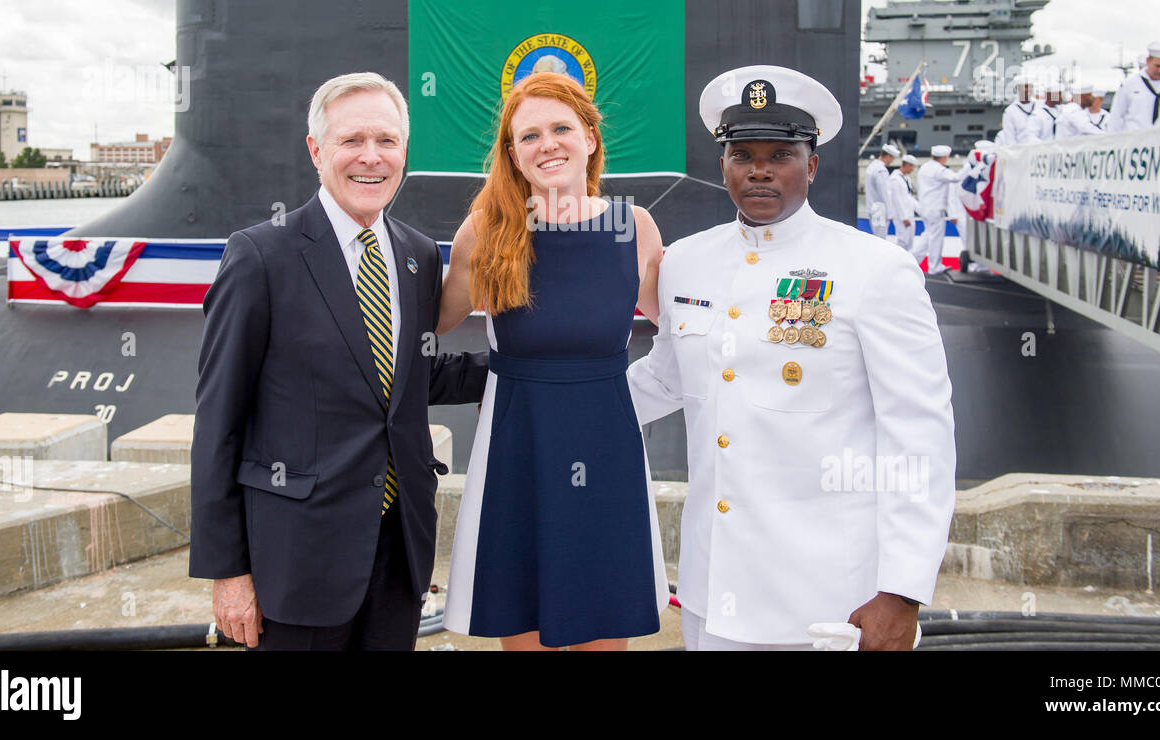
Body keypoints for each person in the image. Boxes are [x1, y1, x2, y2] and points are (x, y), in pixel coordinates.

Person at [625, 65, 955, 650]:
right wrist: (550, 395)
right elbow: (665, 380)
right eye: (741, 154)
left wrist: (902, 592)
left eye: (780, 154)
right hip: (712, 591)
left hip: (828, 603)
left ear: (813, 164)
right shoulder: (686, 264)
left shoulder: (874, 271)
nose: (758, 169)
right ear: (722, 164)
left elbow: (919, 439)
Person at [190, 72, 489, 651]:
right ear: (316, 150)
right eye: (352, 141)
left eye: (386, 141)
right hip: (295, 564)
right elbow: (218, 422)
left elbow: (404, 377)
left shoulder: (417, 255)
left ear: (405, 151)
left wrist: (518, 368)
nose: (370, 158)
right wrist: (227, 574)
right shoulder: (260, 256)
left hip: (397, 551)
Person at [437, 71, 669, 650]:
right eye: (529, 135)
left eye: (561, 128)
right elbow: (421, 325)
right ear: (513, 155)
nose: (548, 145)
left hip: (606, 443)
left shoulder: (632, 226)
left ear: (590, 137)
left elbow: (688, 331)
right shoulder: (487, 230)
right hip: (518, 443)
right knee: (523, 625)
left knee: (602, 623)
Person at [1106, 41, 1160, 132]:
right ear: (1148, 61)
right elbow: (1116, 118)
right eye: (1157, 66)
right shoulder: (1129, 85)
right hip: (1138, 142)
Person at [916, 144, 960, 275]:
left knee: (928, 236)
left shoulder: (924, 167)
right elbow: (956, 178)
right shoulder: (939, 170)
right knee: (936, 238)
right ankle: (934, 266)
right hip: (936, 209)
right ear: (945, 157)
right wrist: (971, 166)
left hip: (926, 208)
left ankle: (912, 259)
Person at [864, 143, 899, 239]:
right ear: (888, 156)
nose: (892, 161)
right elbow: (884, 193)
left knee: (877, 239)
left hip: (873, 209)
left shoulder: (872, 166)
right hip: (881, 212)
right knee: (881, 240)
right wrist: (890, 213)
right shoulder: (881, 170)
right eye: (892, 158)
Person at [888, 154, 919, 254]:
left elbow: (909, 197)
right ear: (906, 165)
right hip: (901, 216)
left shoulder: (906, 178)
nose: (913, 169)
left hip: (909, 213)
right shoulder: (895, 179)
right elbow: (897, 200)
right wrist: (904, 218)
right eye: (912, 166)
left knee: (910, 242)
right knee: (903, 241)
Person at [998, 74, 1041, 145]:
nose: (1029, 90)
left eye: (1031, 87)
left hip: (1040, 151)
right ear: (1019, 89)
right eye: (1026, 87)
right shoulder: (1010, 111)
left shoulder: (1039, 107)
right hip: (1021, 152)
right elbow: (1010, 138)